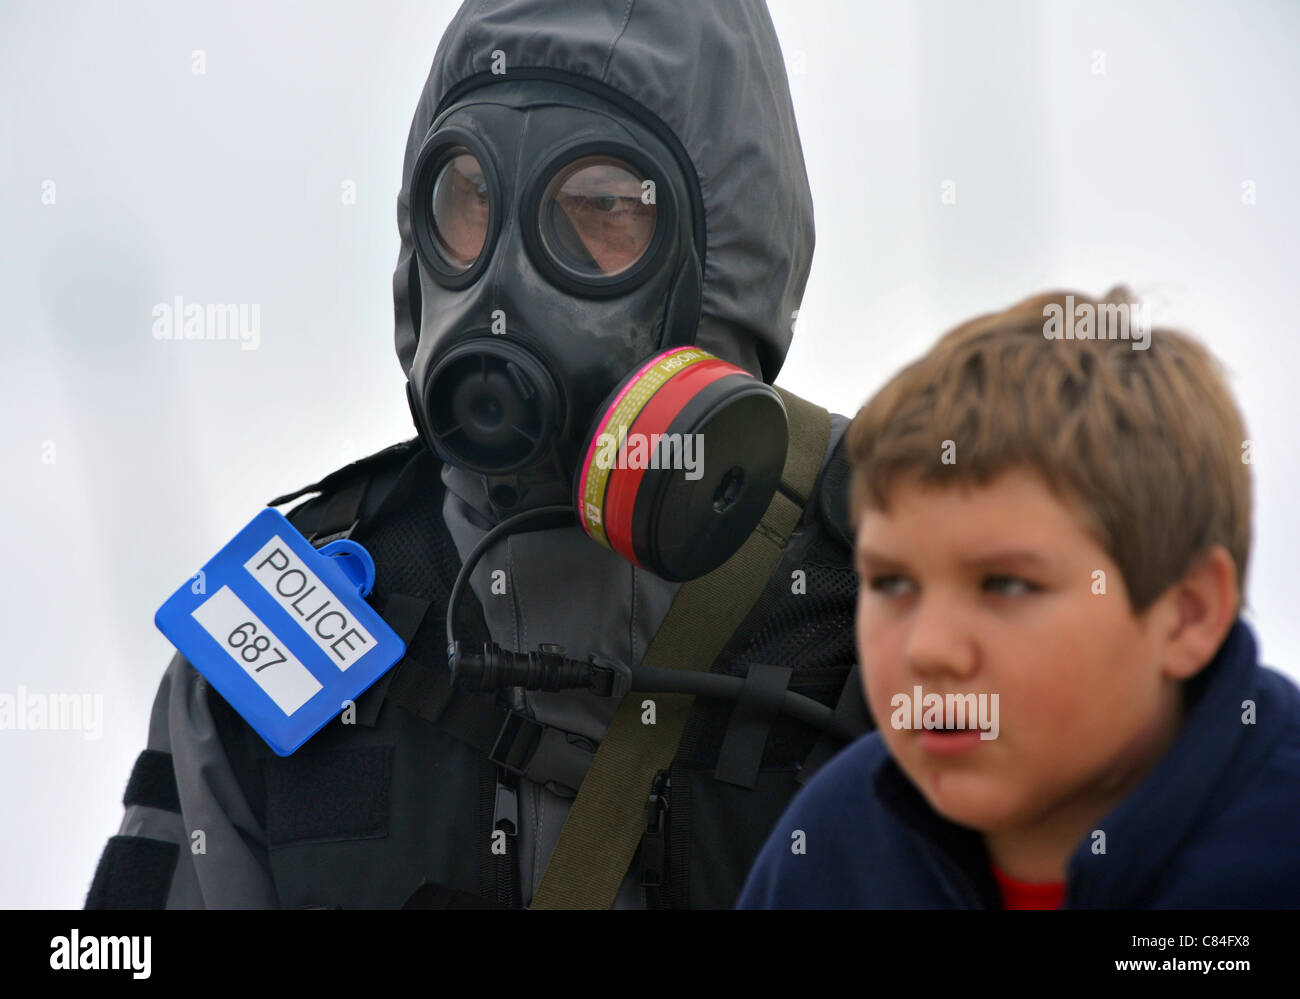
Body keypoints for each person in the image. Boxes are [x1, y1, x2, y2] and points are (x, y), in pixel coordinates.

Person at [85, 0, 870, 910]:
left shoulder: (895, 589)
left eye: (602, 207)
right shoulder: (283, 623)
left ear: (724, 253)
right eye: (473, 198)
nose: (503, 282)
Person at [737, 287, 1300, 909]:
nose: (929, 649)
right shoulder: (836, 839)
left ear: (1187, 615)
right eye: (892, 582)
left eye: (1006, 585)